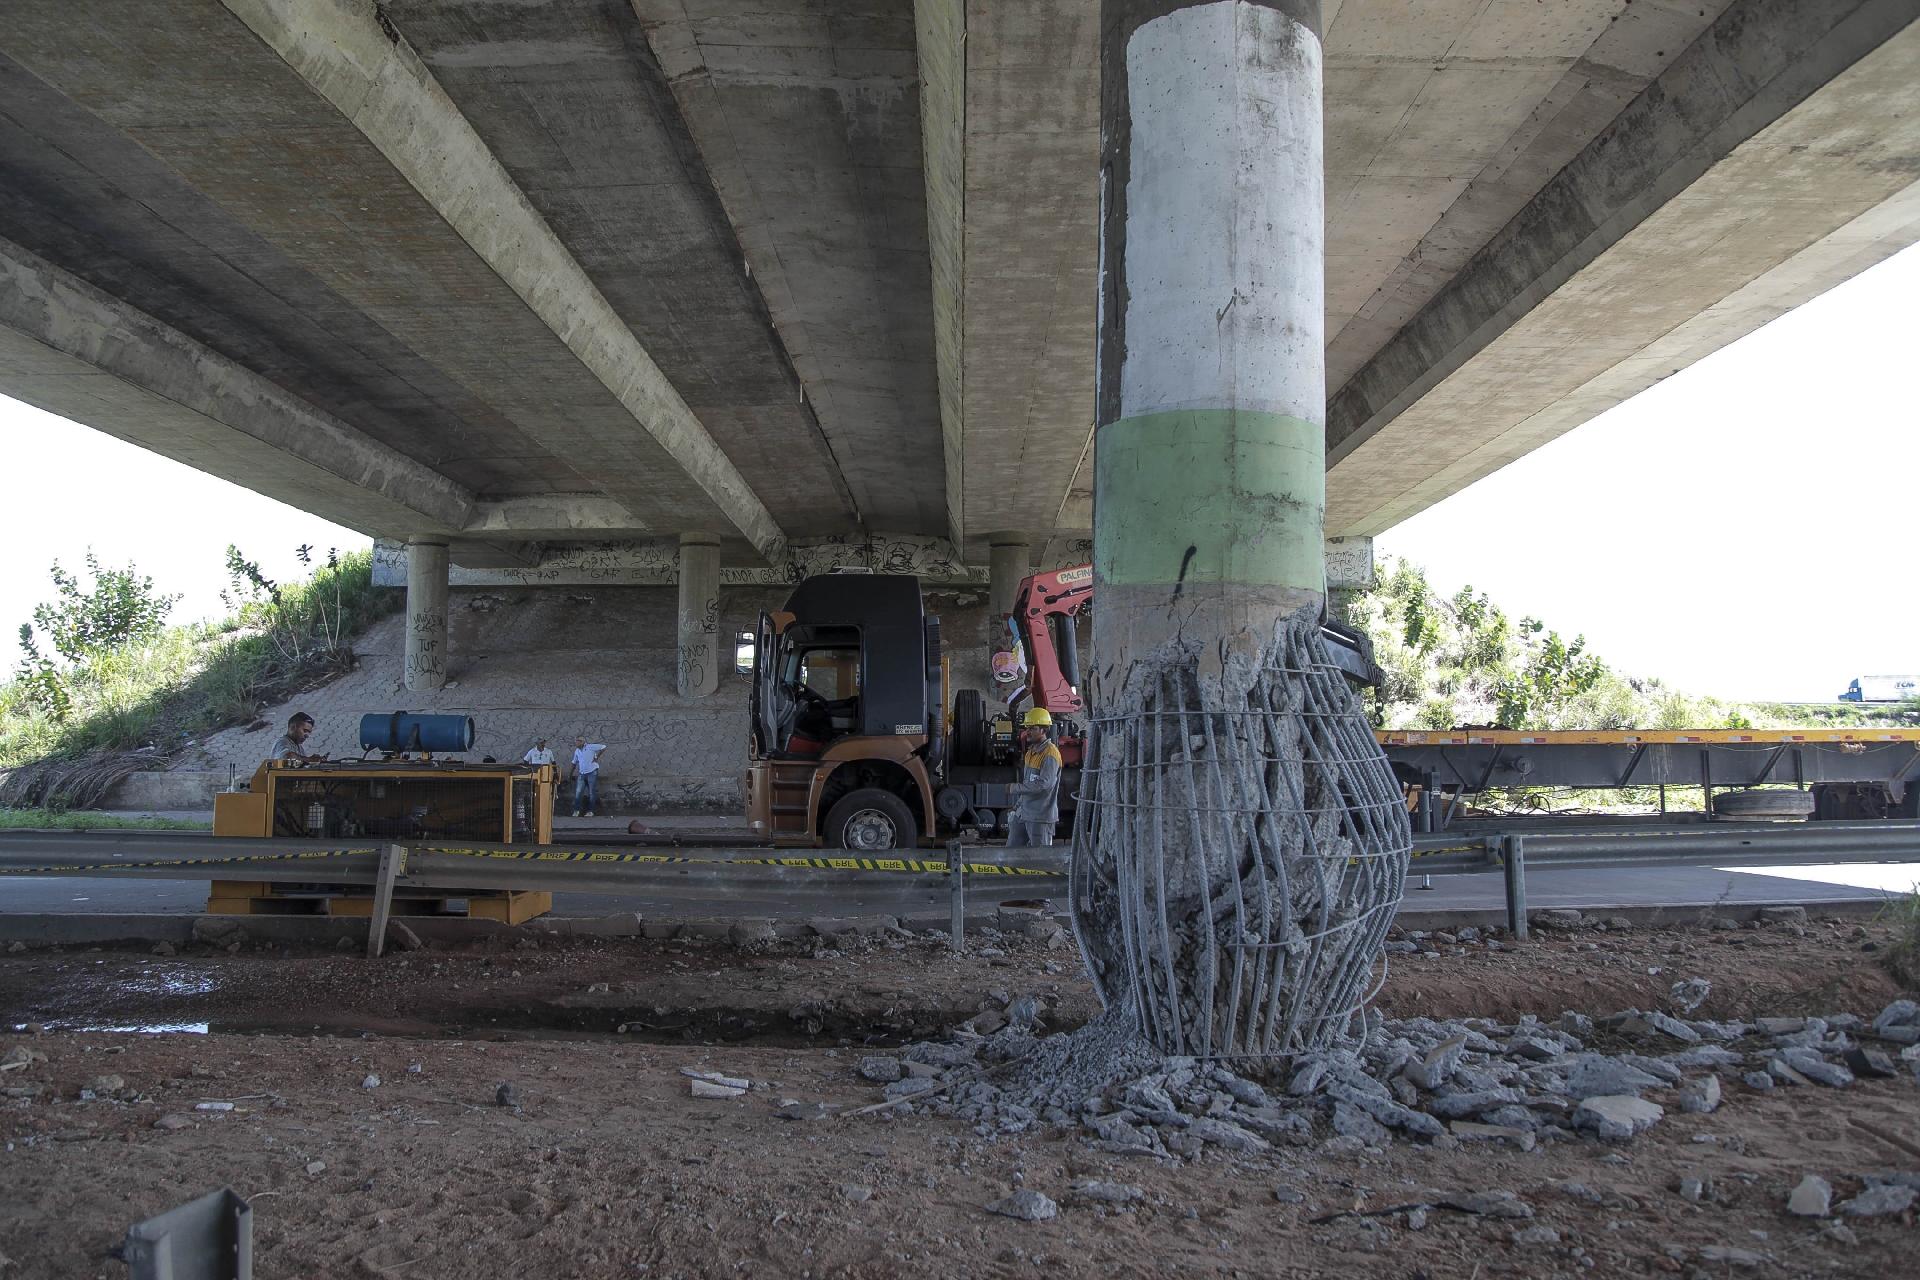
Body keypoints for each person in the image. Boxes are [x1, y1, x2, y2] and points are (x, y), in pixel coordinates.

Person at [1005, 708, 1061, 848]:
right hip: (1023, 813)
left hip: (1040, 817)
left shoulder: (1050, 754)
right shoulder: (1030, 753)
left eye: (1032, 728)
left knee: (1040, 857)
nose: (1028, 732)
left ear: (1043, 730)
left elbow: (1043, 785)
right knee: (1010, 854)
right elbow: (1029, 782)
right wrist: (1017, 807)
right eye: (1027, 728)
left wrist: (1015, 788)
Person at [570, 737, 608, 817]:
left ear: (582, 742)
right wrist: (570, 774)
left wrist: (596, 757)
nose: (576, 743)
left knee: (591, 792)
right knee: (578, 792)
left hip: (592, 772)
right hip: (582, 773)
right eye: (576, 741)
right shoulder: (577, 751)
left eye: (578, 741)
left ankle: (590, 811)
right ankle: (576, 811)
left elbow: (603, 747)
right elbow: (574, 763)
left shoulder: (590, 747)